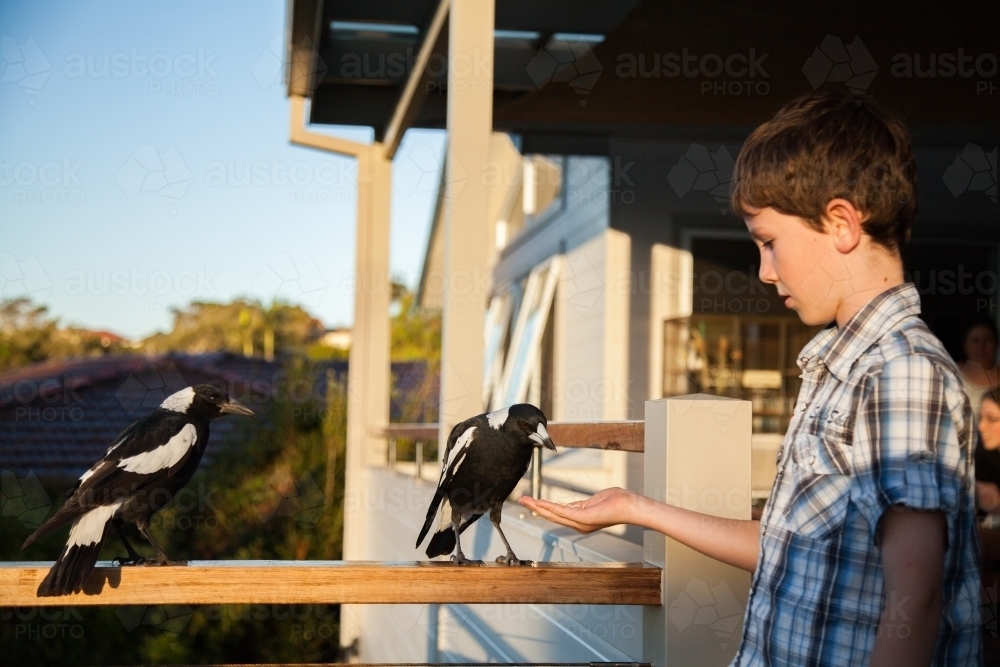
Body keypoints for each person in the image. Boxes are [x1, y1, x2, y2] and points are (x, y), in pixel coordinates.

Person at [521, 92, 981, 666]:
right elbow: (787, 548)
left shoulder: (903, 373)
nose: (764, 271)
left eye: (769, 242)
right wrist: (638, 507)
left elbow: (915, 603)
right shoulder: (838, 366)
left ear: (841, 222)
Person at [960, 318, 999, 425]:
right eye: (975, 340)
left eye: (988, 340)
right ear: (965, 345)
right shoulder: (950, 374)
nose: (981, 346)